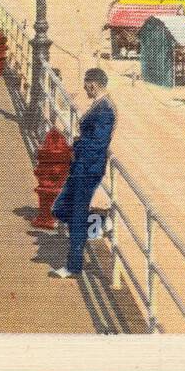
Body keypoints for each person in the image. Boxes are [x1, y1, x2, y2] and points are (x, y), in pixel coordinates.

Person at [50, 68, 117, 280]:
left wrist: (76, 147)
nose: (84, 89)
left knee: (75, 214)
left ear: (93, 85)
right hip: (82, 166)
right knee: (60, 209)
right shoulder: (100, 105)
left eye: (86, 85)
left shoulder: (105, 109)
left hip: (88, 168)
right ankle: (98, 220)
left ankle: (73, 265)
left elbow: (97, 144)